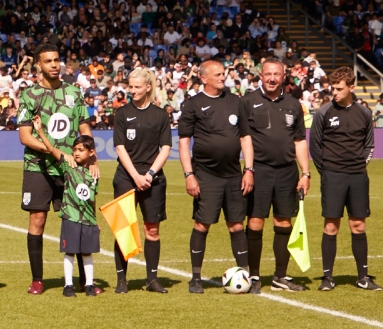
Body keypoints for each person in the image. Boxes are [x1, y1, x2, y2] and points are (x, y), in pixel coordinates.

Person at [16, 46, 90, 295]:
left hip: (71, 168)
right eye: (48, 61)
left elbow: (85, 127)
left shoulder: (74, 92)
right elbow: (25, 137)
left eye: (57, 60)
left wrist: (89, 154)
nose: (54, 65)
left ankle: (84, 280)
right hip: (38, 166)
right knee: (38, 219)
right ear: (38, 65)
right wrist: (56, 152)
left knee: (77, 218)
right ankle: (37, 279)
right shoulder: (29, 95)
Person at [178, 58, 253, 294]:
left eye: (223, 74)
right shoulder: (193, 104)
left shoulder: (235, 101)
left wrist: (249, 170)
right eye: (218, 74)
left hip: (233, 174)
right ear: (204, 78)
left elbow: (245, 138)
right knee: (202, 224)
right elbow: (183, 142)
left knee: (236, 225)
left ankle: (245, 274)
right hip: (205, 175)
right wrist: (189, 174)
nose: (223, 77)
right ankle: (196, 278)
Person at [310, 66, 380, 291]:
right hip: (333, 176)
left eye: (339, 88)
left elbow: (369, 144)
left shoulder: (364, 113)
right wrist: (328, 171)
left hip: (358, 175)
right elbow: (315, 147)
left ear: (352, 87)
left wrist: (359, 164)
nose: (334, 92)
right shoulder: (323, 113)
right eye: (333, 88)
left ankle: (363, 277)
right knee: (331, 226)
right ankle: (328, 278)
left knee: (358, 225)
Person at [244, 57, 309, 292]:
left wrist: (305, 173)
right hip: (259, 171)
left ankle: (280, 276)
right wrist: (248, 170)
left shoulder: (293, 104)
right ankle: (253, 276)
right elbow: (244, 138)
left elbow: (300, 140)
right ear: (260, 76)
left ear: (284, 77)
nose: (272, 78)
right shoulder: (248, 101)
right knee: (255, 221)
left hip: (286, 172)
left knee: (283, 221)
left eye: (277, 75)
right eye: (268, 74)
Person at [109, 67, 170, 294]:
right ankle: (121, 280)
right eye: (130, 87)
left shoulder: (160, 115)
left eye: (136, 87)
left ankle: (152, 280)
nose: (132, 91)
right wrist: (135, 175)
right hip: (126, 176)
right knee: (123, 229)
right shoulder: (122, 113)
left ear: (147, 87)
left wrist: (150, 175)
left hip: (152, 178)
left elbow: (165, 148)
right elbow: (120, 147)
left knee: (151, 229)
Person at [60, 136, 102, 297]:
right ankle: (68, 285)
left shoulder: (94, 173)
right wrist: (41, 132)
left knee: (87, 252)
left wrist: (95, 220)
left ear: (91, 152)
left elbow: (92, 198)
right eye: (75, 149)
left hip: (88, 218)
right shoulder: (69, 166)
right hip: (71, 217)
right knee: (70, 251)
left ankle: (89, 284)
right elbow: (52, 149)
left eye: (81, 150)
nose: (76, 153)